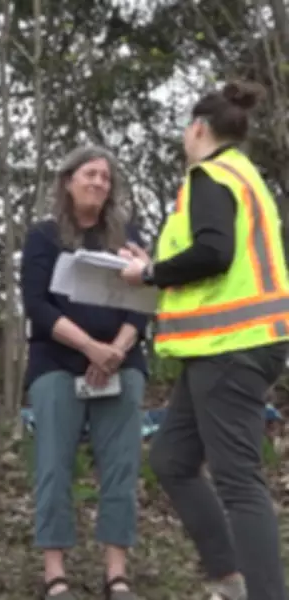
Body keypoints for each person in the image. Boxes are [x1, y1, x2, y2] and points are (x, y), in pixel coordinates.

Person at [120, 80, 289, 600]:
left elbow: (214, 252)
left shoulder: (209, 178)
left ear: (198, 128)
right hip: (225, 347)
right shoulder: (245, 178)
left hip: (231, 346)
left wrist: (150, 273)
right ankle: (230, 577)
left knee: (239, 482)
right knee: (171, 457)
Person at [20, 145, 148, 600]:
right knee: (54, 466)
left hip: (121, 362)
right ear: (68, 180)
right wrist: (89, 347)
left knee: (120, 468)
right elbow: (36, 304)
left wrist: (115, 349)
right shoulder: (44, 237)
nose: (98, 183)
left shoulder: (127, 236)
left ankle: (116, 574)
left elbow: (145, 300)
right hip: (58, 363)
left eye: (106, 177)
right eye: (90, 174)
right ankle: (56, 574)